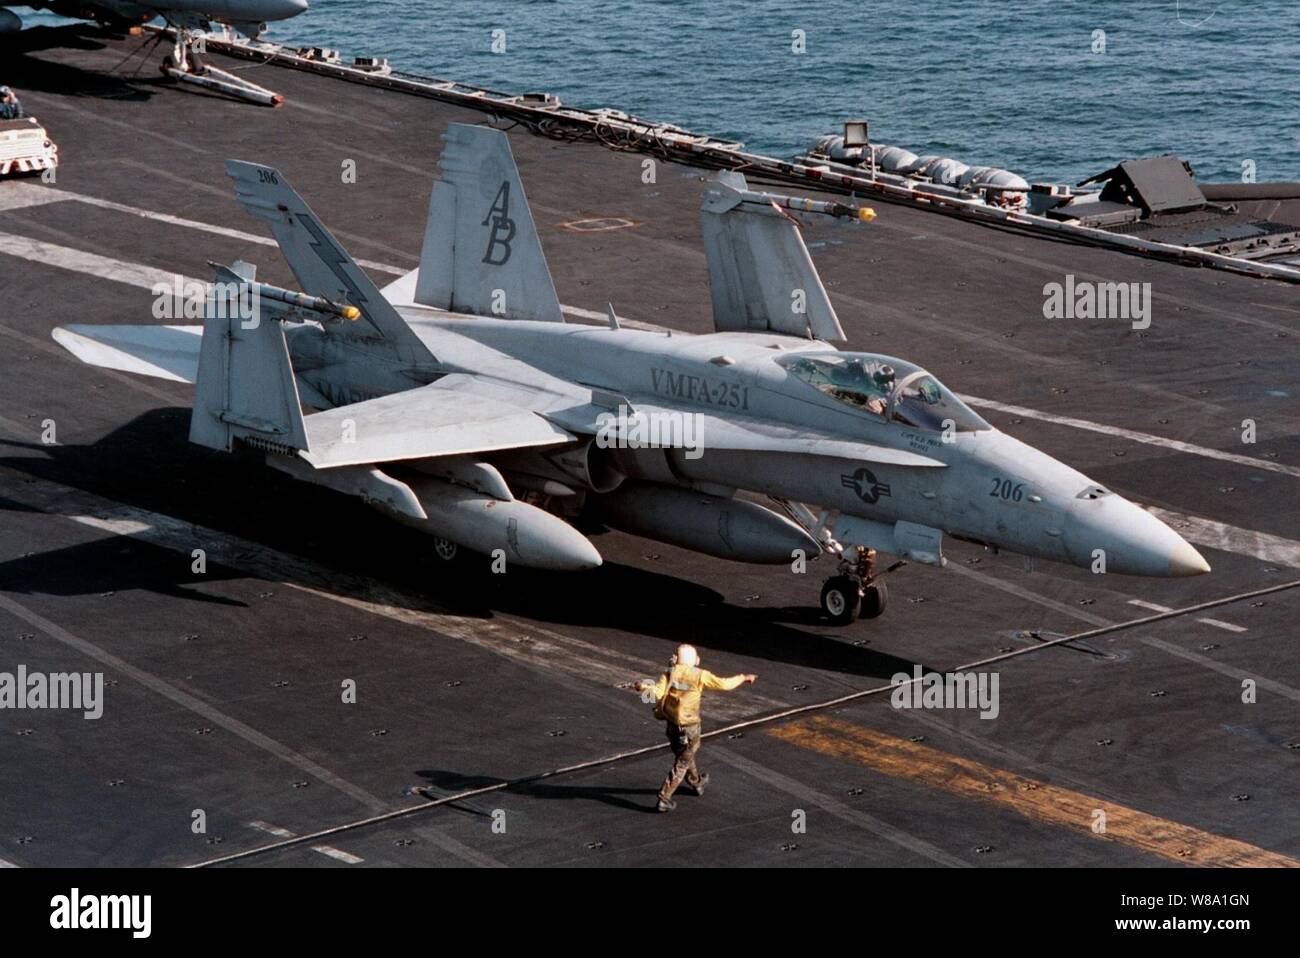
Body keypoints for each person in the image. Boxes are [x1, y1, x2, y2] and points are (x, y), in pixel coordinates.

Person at [634, 645, 757, 812]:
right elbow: (724, 684)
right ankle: (664, 797)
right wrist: (743, 677)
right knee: (683, 760)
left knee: (685, 753)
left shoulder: (670, 673)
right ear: (694, 660)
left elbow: (656, 693)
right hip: (690, 726)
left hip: (672, 725)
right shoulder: (699, 675)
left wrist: (642, 686)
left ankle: (696, 782)